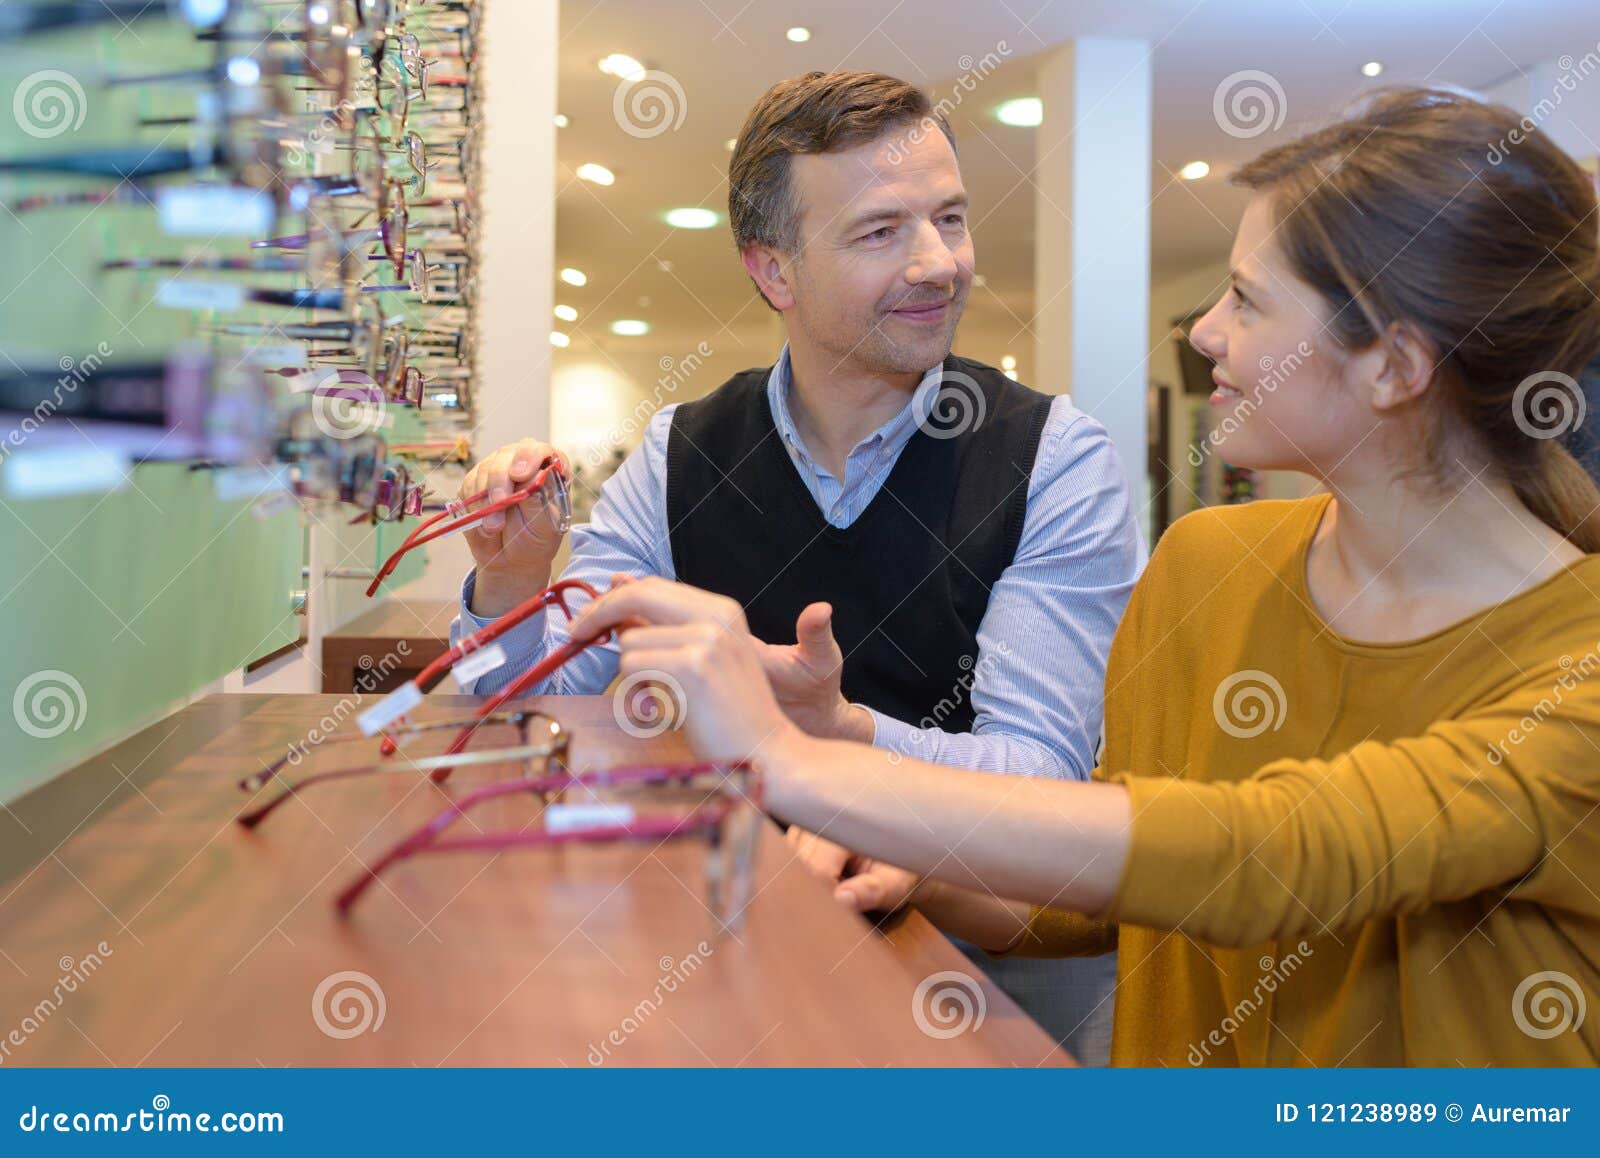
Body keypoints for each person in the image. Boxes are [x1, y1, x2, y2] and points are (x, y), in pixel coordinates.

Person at [565, 87, 1600, 1066]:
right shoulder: (1210, 565)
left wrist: (786, 759)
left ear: (1395, 367)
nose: (1203, 332)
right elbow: (1098, 892)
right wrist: (915, 860)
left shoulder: (1578, 671)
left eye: (1245, 300)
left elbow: (1270, 855)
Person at [449, 71, 1144, 1060]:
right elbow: (541, 716)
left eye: (949, 218)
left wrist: (842, 733)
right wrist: (514, 585)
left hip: (983, 991)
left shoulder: (1053, 459)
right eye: (881, 232)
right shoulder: (680, 454)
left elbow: (1040, 782)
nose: (939, 262)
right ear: (773, 271)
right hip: (727, 960)